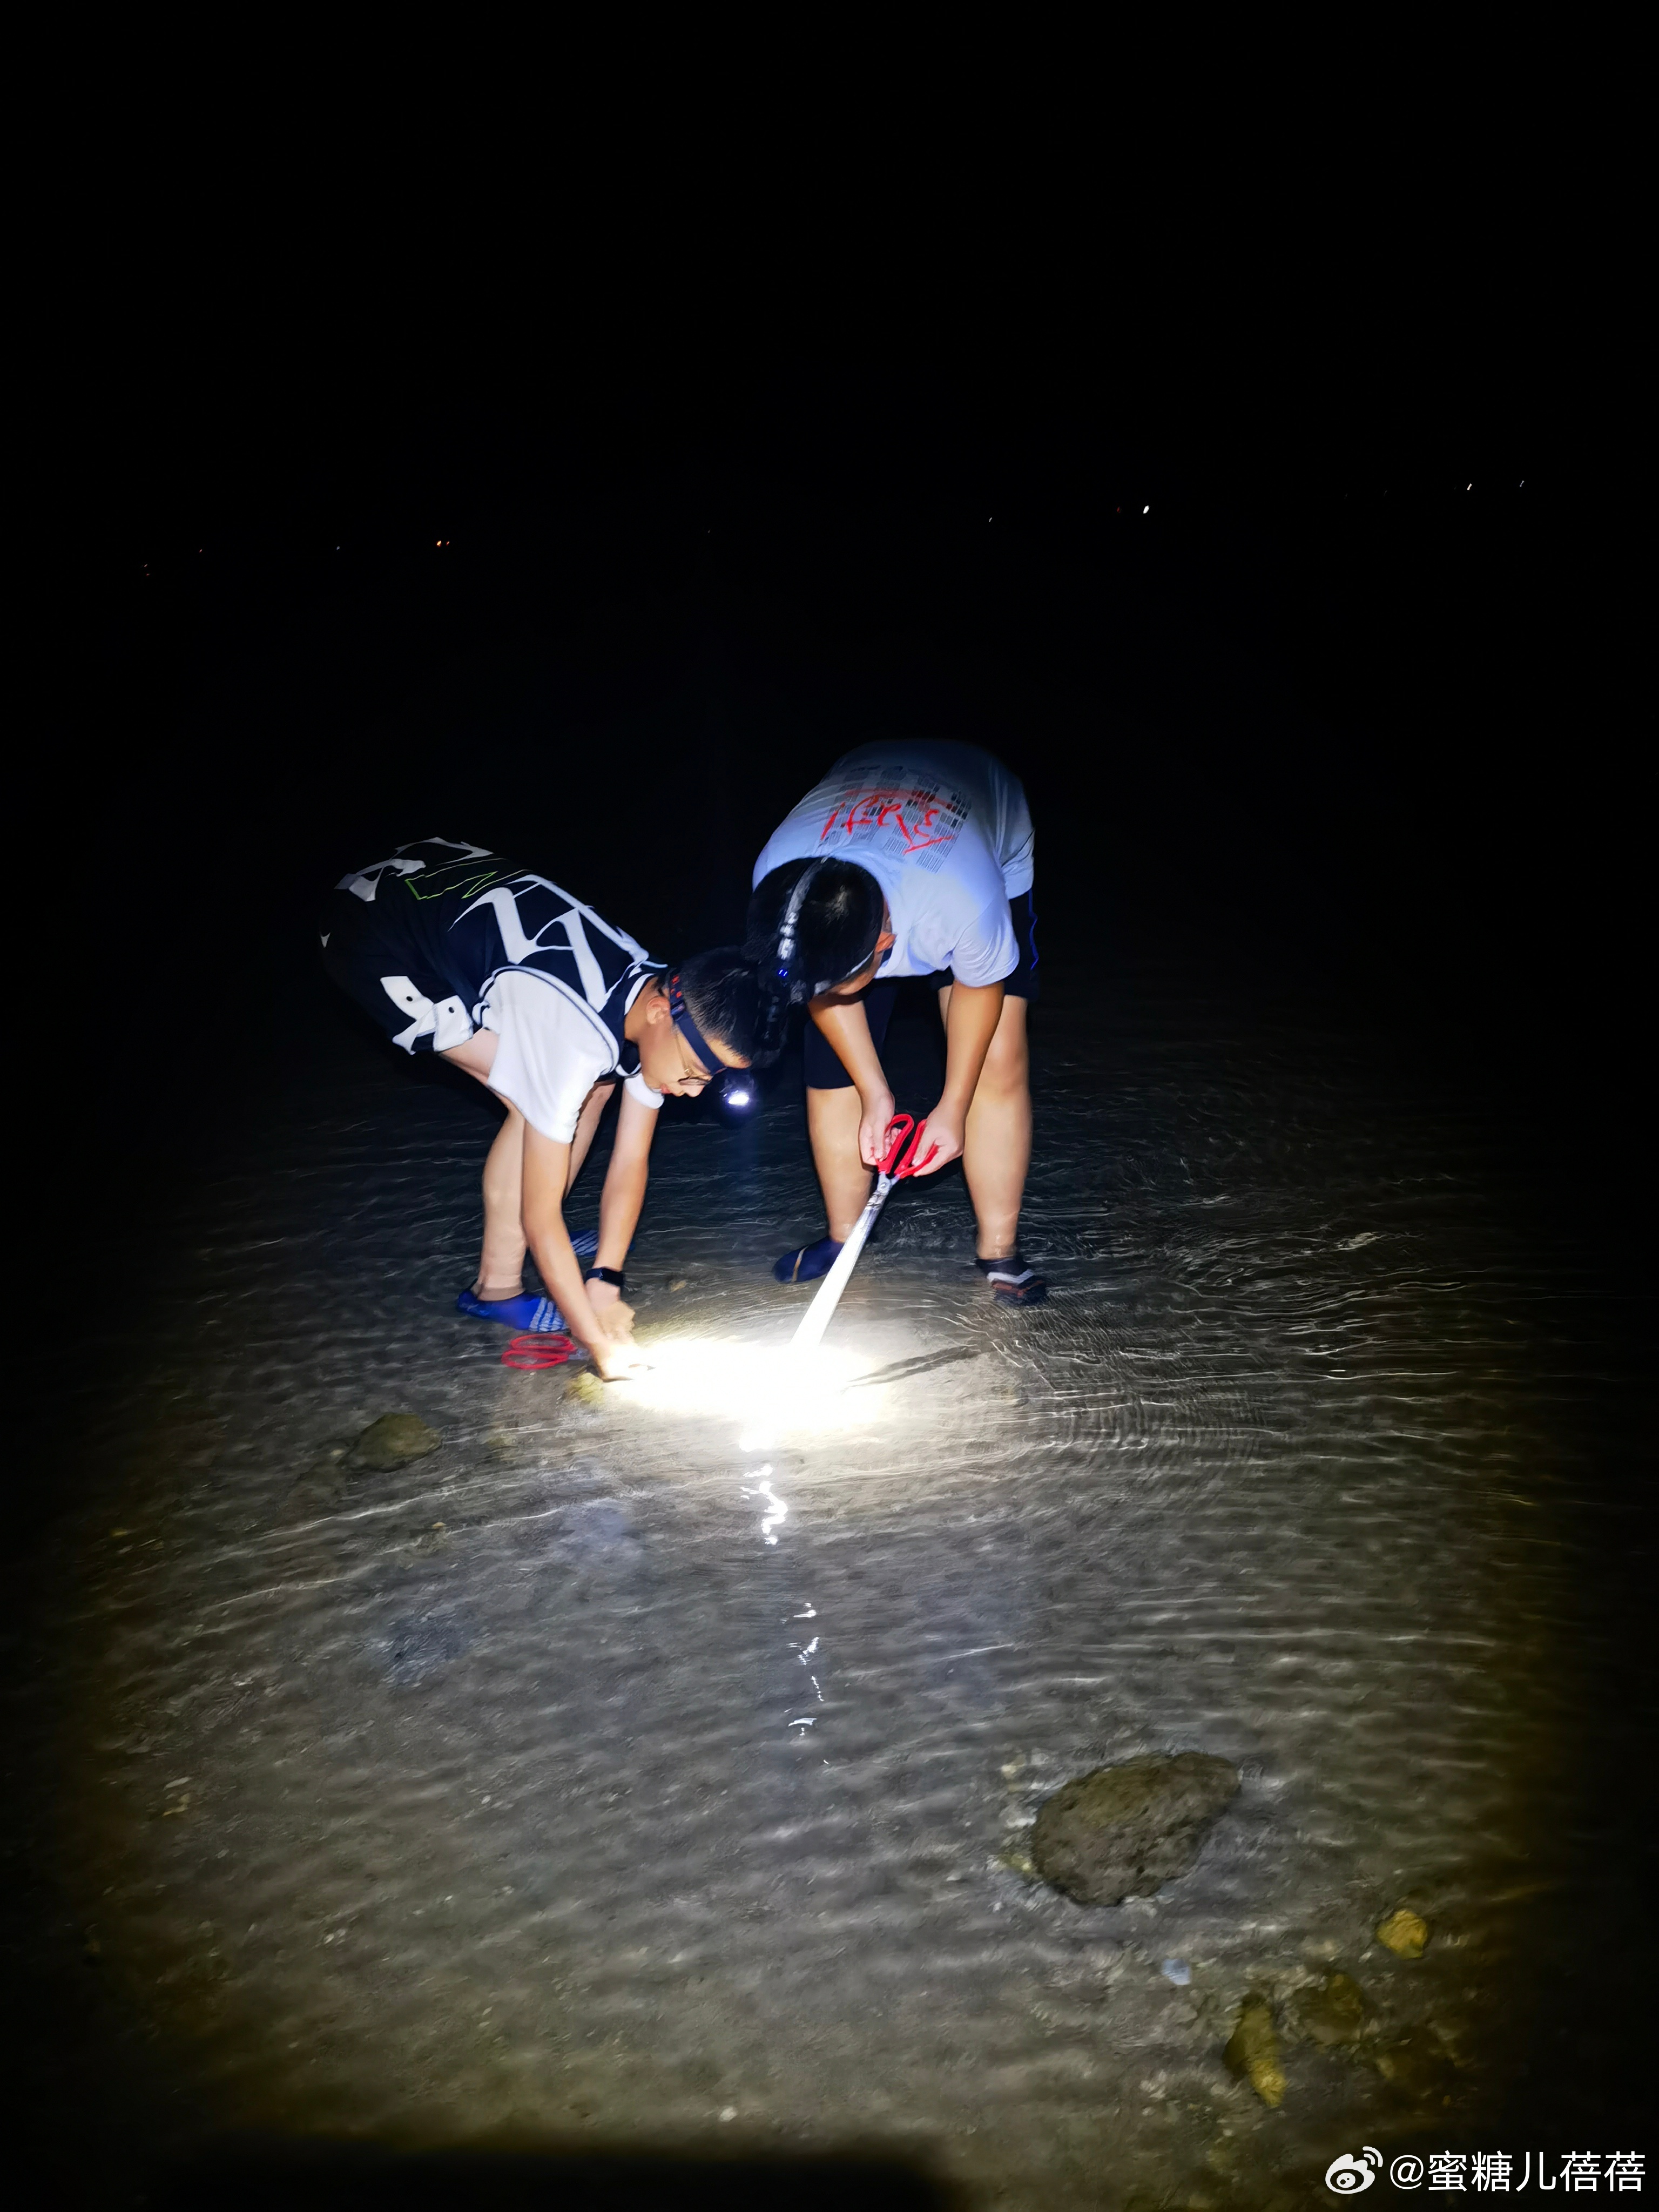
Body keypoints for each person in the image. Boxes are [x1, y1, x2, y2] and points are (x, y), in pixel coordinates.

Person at [321, 837, 758, 1378]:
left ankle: (536, 1240)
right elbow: (542, 1213)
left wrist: (606, 1278)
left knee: (590, 1091)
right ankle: (497, 1287)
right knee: (541, 1105)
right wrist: (597, 1341)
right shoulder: (574, 1043)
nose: (694, 1092)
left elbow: (630, 1161)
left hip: (436, 884)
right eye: (693, 1073)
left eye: (707, 1080)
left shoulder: (665, 1000)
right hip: (373, 932)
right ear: (658, 1013)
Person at [746, 742, 1045, 1305]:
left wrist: (952, 1109)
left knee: (997, 1061)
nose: (826, 996)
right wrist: (876, 1092)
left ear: (887, 944)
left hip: (981, 819)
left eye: (836, 983)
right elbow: (807, 980)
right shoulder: (778, 879)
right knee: (830, 1065)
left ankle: (999, 1249)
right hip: (860, 783)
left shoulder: (963, 901)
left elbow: (980, 994)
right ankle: (845, 1236)